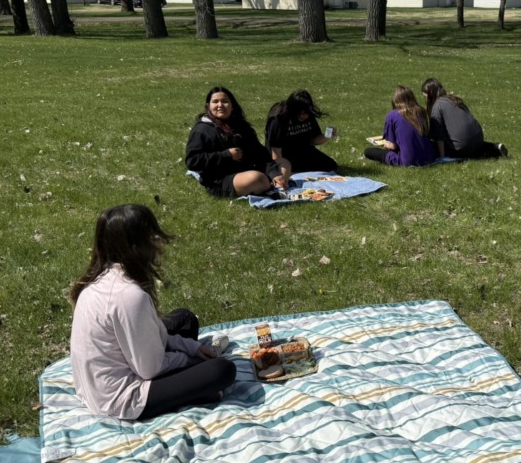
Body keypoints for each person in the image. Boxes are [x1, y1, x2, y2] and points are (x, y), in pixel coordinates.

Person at [68, 204, 236, 420]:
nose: (158, 243)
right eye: (152, 237)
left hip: (97, 382)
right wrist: (189, 360)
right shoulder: (129, 296)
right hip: (119, 398)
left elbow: (151, 331)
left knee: (184, 319)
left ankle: (194, 386)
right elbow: (149, 369)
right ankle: (198, 391)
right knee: (221, 370)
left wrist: (191, 347)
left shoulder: (103, 278)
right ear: (136, 246)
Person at [185, 86, 291, 197]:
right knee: (257, 178)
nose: (220, 105)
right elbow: (192, 161)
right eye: (215, 102)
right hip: (221, 179)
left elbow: (260, 152)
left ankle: (279, 186)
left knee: (284, 163)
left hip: (248, 168)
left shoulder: (241, 126)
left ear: (232, 106)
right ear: (208, 106)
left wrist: (274, 173)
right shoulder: (202, 130)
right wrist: (226, 155)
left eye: (225, 101)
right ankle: (269, 185)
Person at [421, 78, 507, 159]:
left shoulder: (437, 106)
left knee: (432, 145)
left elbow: (438, 135)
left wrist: (442, 157)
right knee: (472, 147)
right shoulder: (454, 99)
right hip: (478, 138)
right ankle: (494, 148)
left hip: (461, 146)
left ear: (430, 94)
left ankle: (480, 151)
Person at [363, 85, 438, 167]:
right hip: (429, 157)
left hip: (408, 160)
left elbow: (392, 146)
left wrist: (383, 144)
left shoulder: (393, 115)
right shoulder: (421, 111)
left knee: (368, 151)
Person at [265, 90, 338, 173]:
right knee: (291, 168)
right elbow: (276, 151)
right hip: (284, 154)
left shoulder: (308, 114)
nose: (305, 116)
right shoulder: (278, 118)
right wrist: (279, 171)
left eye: (307, 112)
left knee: (330, 165)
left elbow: (314, 140)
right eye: (302, 113)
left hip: (303, 150)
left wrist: (327, 135)